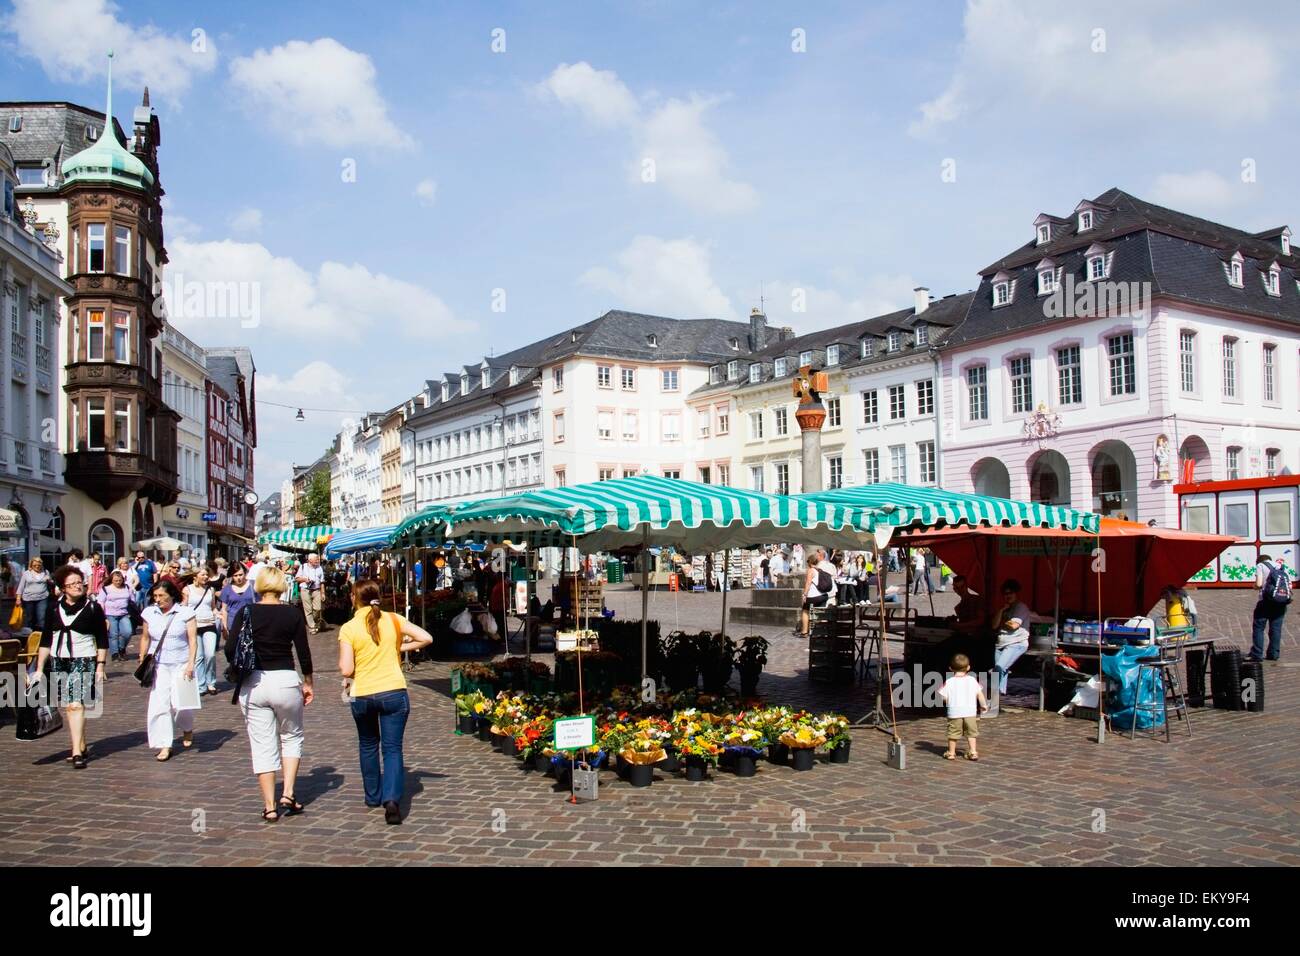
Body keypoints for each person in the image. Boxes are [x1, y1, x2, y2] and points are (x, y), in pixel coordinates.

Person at [338, 578, 433, 824]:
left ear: (354, 598)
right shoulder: (393, 619)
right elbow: (426, 638)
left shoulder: (349, 627)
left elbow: (346, 669)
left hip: (363, 694)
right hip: (393, 691)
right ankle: (391, 800)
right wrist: (398, 647)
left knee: (368, 745)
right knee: (392, 749)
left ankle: (372, 795)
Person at [227, 566, 315, 822]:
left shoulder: (246, 612)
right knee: (291, 736)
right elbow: (303, 651)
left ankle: (270, 806)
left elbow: (231, 648)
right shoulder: (291, 613)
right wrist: (308, 681)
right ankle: (287, 792)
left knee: (262, 744)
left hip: (254, 683)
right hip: (286, 680)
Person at [34, 567, 108, 768]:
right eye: (72, 583)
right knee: (70, 705)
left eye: (79, 582)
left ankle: (75, 752)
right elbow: (46, 639)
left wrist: (100, 666)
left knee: (75, 704)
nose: (78, 586)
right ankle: (81, 743)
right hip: (59, 660)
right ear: (63, 588)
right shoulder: (53, 608)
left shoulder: (93, 608)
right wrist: (39, 668)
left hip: (83, 659)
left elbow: (102, 639)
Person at [141, 581, 199, 761]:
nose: (157, 600)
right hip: (160, 665)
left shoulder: (185, 613)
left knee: (183, 704)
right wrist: (143, 656)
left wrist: (191, 663)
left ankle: (187, 727)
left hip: (181, 664)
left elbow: (192, 639)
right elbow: (145, 637)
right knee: (160, 705)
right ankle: (165, 744)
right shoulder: (149, 612)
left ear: (171, 595)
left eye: (161, 596)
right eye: (155, 596)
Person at [939, 653, 987, 761]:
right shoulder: (972, 680)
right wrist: (984, 705)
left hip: (954, 712)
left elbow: (943, 697)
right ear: (968, 667)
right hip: (970, 712)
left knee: (953, 733)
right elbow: (979, 694)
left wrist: (948, 702)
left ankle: (951, 753)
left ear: (951, 668)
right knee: (971, 733)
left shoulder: (949, 682)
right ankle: (973, 752)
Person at [991, 579, 1034, 697]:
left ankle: (993, 697)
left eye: (1010, 593)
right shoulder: (1004, 608)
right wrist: (1000, 611)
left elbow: (1014, 625)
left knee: (999, 668)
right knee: (1001, 671)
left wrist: (1003, 621)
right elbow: (994, 625)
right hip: (1000, 643)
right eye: (1005, 594)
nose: (1008, 596)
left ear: (1016, 594)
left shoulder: (1021, 608)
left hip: (1016, 643)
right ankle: (1000, 698)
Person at [184, 566, 220, 696]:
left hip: (209, 623)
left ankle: (211, 682)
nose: (205, 577)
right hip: (194, 625)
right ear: (195, 577)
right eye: (202, 575)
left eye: (206, 575)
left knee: (210, 654)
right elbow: (184, 607)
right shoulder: (187, 589)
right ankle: (201, 685)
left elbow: (213, 608)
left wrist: (219, 615)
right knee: (198, 657)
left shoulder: (211, 590)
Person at [1250, 554, 1291, 662]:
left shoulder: (1260, 565)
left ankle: (1257, 654)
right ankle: (1273, 654)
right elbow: (1289, 586)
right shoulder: (1281, 567)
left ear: (1258, 561)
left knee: (1258, 627)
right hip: (1281, 602)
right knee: (1276, 629)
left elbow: (1259, 584)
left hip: (1265, 602)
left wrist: (1254, 586)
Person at [798, 547, 838, 638]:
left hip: (813, 597)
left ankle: (804, 632)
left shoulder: (811, 570)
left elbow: (808, 584)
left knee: (805, 610)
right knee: (821, 613)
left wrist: (804, 595)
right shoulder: (821, 570)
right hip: (823, 596)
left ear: (810, 562)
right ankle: (821, 631)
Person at [98, 570, 135, 662]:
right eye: (115, 581)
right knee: (113, 635)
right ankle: (114, 653)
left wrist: (132, 610)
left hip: (124, 614)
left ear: (123, 579)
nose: (118, 582)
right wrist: (103, 616)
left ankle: (121, 649)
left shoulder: (127, 587)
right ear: (111, 580)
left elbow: (132, 599)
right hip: (110, 614)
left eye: (120, 580)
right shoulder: (106, 589)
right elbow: (101, 602)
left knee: (127, 632)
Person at [218, 563, 257, 641]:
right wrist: (224, 628)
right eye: (235, 576)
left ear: (245, 573)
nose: (238, 578)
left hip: (250, 622)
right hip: (233, 623)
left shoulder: (254, 585)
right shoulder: (227, 589)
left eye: (240, 575)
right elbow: (224, 610)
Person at [16, 557, 52, 637]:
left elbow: (51, 582)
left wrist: (49, 580)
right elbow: (21, 586)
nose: (37, 566)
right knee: (30, 618)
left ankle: (42, 636)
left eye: (39, 565)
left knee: (41, 617)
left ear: (41, 565)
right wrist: (18, 598)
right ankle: (30, 636)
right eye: (35, 565)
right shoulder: (26, 573)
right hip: (29, 598)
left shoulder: (45, 572)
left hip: (42, 597)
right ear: (31, 565)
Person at [296, 553, 325, 635]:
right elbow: (297, 578)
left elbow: (322, 581)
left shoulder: (319, 568)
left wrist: (323, 593)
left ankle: (315, 622)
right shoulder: (303, 567)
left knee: (318, 608)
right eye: (316, 559)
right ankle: (312, 627)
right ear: (310, 560)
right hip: (305, 590)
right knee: (308, 610)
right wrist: (305, 579)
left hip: (316, 590)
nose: (318, 560)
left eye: (318, 559)